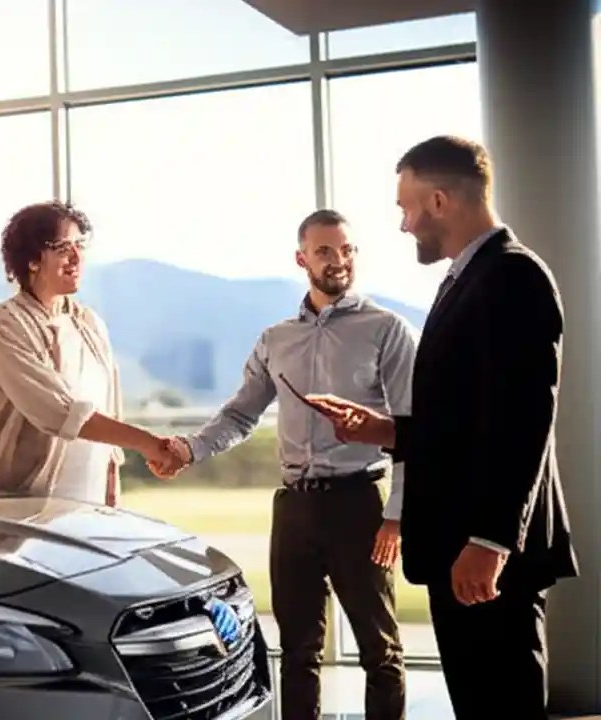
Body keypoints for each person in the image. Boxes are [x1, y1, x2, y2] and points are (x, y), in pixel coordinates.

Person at [307, 136, 579, 720]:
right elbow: (468, 417)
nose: (403, 226)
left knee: (503, 705)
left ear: (438, 201)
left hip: (481, 552)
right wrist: (385, 430)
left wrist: (490, 540)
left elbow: (524, 419)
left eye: (406, 209)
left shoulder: (512, 276)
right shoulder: (469, 277)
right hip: (459, 546)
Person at [165, 209, 414, 720]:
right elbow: (239, 414)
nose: (338, 261)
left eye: (346, 250)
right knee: (297, 649)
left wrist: (396, 515)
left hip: (361, 506)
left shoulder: (386, 330)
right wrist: (191, 449)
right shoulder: (276, 339)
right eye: (325, 251)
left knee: (379, 649)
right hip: (295, 509)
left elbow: (413, 426)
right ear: (301, 258)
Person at [0, 200, 180, 505]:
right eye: (62, 248)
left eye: (80, 246)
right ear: (32, 260)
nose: (76, 258)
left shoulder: (89, 322)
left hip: (85, 507)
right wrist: (147, 443)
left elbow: (109, 411)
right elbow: (57, 411)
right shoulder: (5, 324)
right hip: (18, 506)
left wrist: (110, 495)